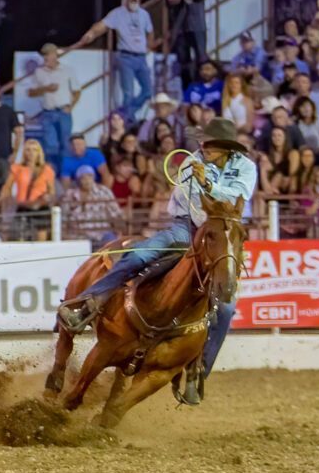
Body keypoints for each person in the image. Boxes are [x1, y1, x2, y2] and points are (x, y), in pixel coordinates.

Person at [58, 119, 255, 402]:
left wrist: (207, 184)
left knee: (226, 304)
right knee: (139, 255)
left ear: (225, 149)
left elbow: (237, 196)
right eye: (202, 143)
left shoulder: (246, 167)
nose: (202, 148)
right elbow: (194, 204)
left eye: (209, 145)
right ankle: (88, 303)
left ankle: (198, 371)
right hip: (188, 227)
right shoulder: (190, 163)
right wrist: (205, 229)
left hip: (223, 235)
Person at [74, 0, 157, 120]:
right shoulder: (117, 13)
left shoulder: (144, 14)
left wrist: (149, 46)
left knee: (148, 91)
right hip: (126, 57)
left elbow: (150, 32)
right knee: (128, 93)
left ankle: (127, 114)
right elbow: (101, 26)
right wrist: (91, 34)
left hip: (141, 58)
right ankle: (127, 121)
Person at [27, 43, 78, 174]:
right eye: (44, 55)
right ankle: (51, 174)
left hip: (63, 112)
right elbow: (31, 93)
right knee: (50, 145)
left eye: (48, 54)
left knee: (65, 144)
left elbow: (77, 91)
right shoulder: (39, 72)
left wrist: (71, 107)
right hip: (47, 112)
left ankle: (65, 174)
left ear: (55, 54)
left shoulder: (67, 70)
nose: (46, 57)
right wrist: (46, 89)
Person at [165, 0, 209, 89]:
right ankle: (188, 90)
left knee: (201, 57)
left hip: (197, 25)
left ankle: (203, 87)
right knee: (184, 60)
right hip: (180, 27)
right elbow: (170, 0)